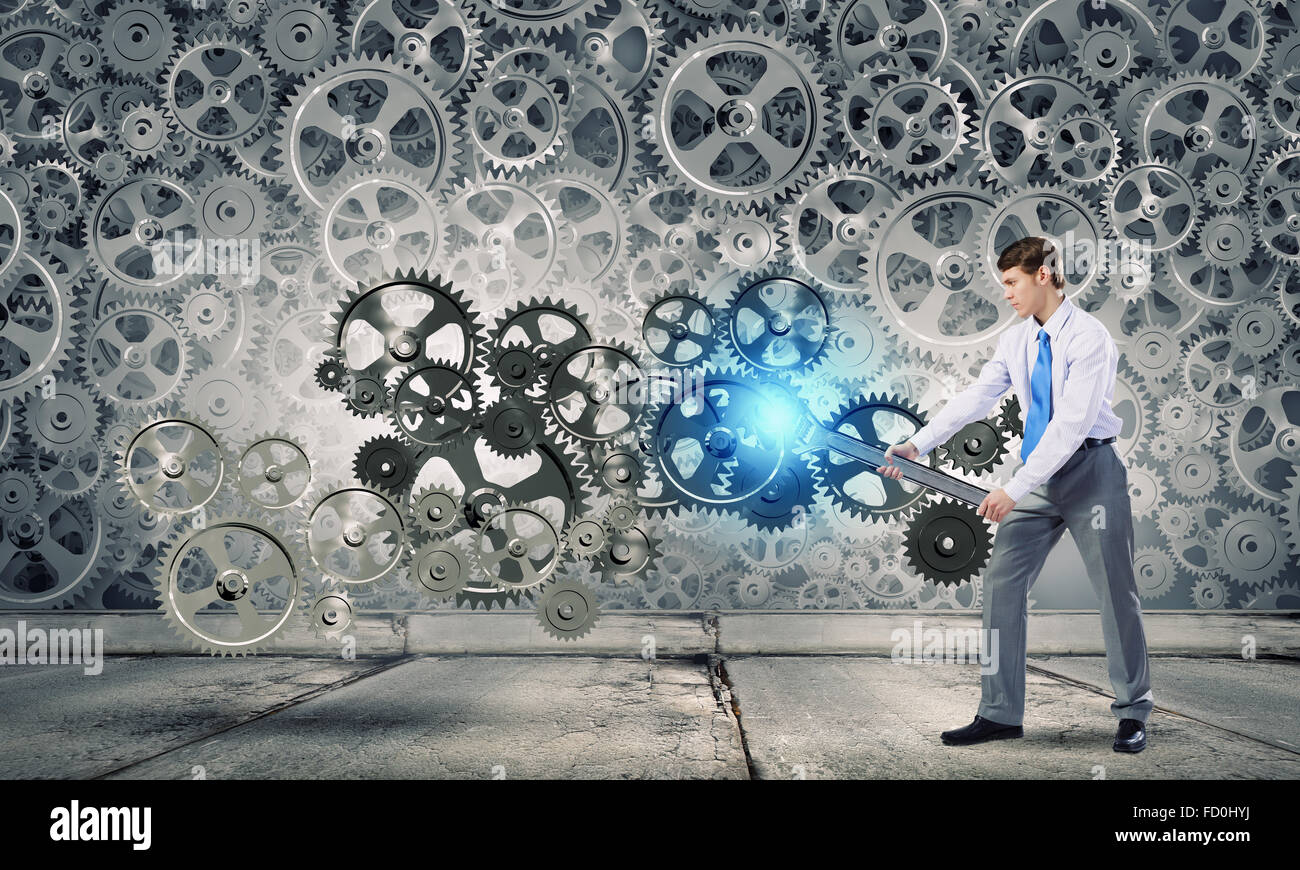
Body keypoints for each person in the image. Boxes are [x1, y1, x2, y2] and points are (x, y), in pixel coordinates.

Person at [878, 236, 1153, 753]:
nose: (1005, 293)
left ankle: (1134, 712)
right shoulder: (1017, 340)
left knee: (1116, 592)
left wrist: (1012, 488)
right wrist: (918, 444)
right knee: (1002, 584)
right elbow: (977, 397)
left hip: (1092, 470)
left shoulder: (1090, 339)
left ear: (1043, 276)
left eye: (1012, 282)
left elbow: (1071, 425)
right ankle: (1000, 712)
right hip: (1039, 477)